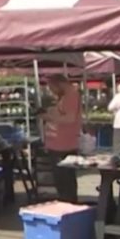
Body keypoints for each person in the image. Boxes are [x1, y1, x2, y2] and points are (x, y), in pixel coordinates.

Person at [41, 74, 82, 203]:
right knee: (63, 182)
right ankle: (67, 204)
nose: (52, 91)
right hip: (58, 144)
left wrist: (49, 118)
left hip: (63, 145)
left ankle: (68, 206)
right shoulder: (66, 96)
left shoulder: (71, 96)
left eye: (52, 87)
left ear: (59, 84)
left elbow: (70, 118)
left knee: (65, 182)